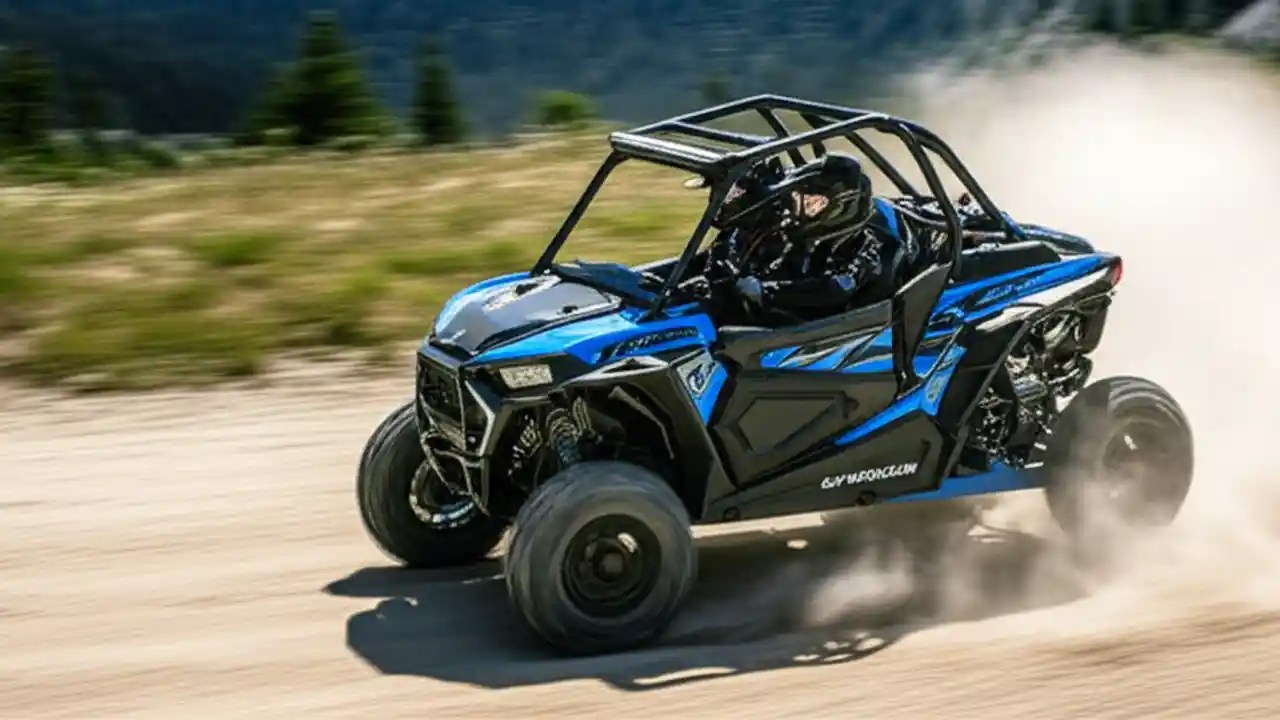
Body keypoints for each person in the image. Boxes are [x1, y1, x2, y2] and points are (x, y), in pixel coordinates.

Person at [704, 152, 930, 326]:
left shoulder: (869, 246)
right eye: (801, 201)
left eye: (814, 204)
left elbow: (836, 288)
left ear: (841, 207)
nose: (802, 211)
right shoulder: (800, 233)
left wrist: (765, 291)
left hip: (851, 335)